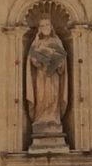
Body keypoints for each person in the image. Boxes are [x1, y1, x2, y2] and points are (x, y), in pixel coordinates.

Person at [26, 14, 69, 145]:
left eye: (47, 25)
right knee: (41, 96)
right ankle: (41, 119)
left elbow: (62, 61)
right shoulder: (37, 43)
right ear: (39, 28)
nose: (45, 27)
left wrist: (53, 59)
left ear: (51, 27)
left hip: (53, 75)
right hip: (41, 75)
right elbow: (32, 60)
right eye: (42, 25)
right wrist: (39, 60)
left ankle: (53, 119)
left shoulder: (57, 42)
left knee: (54, 95)